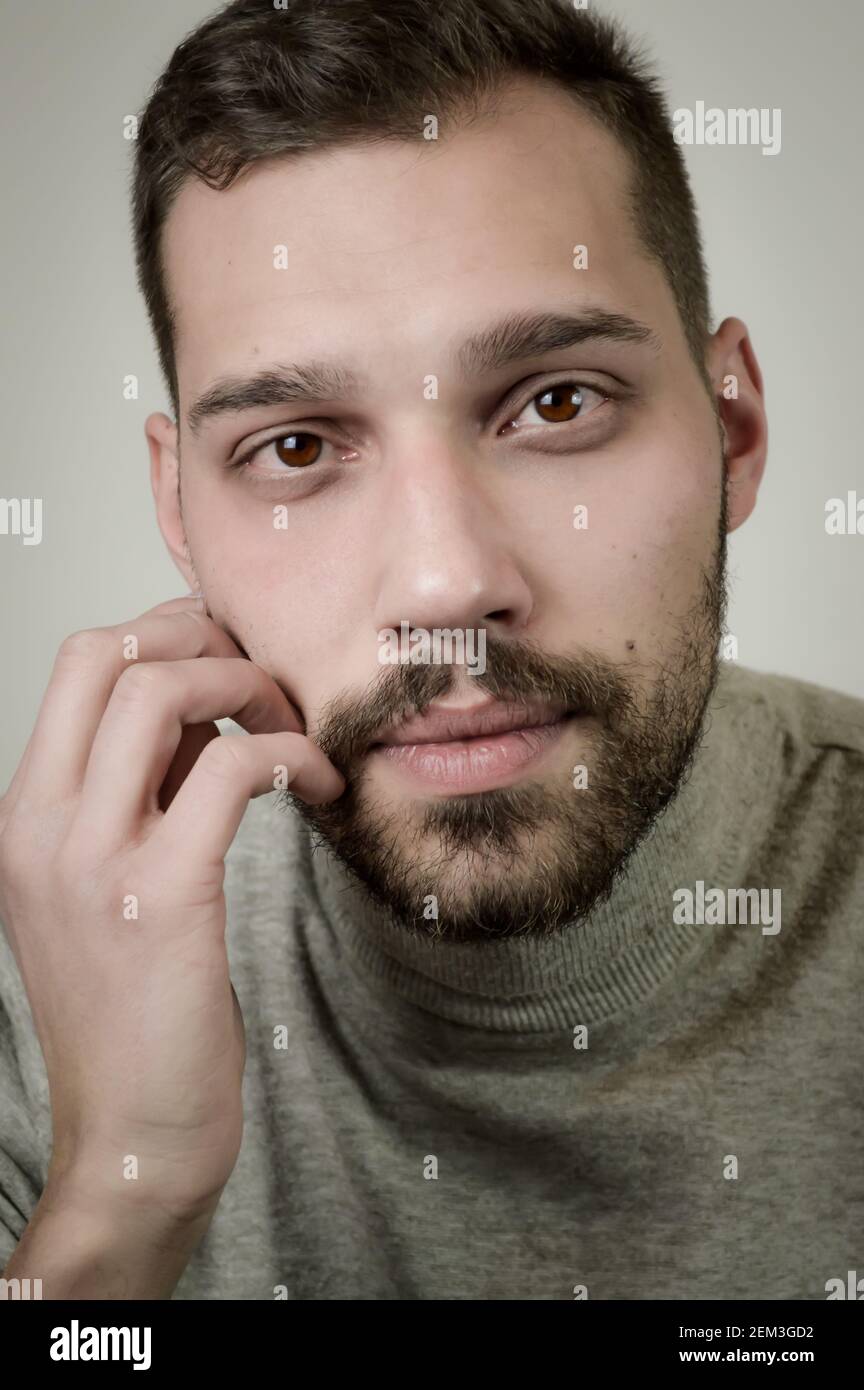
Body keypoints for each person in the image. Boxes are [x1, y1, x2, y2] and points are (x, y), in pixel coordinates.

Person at [1, 0, 861, 1301]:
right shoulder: (44, 989)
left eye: (556, 402)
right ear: (178, 510)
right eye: (296, 446)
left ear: (732, 429)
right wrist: (122, 1191)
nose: (447, 583)